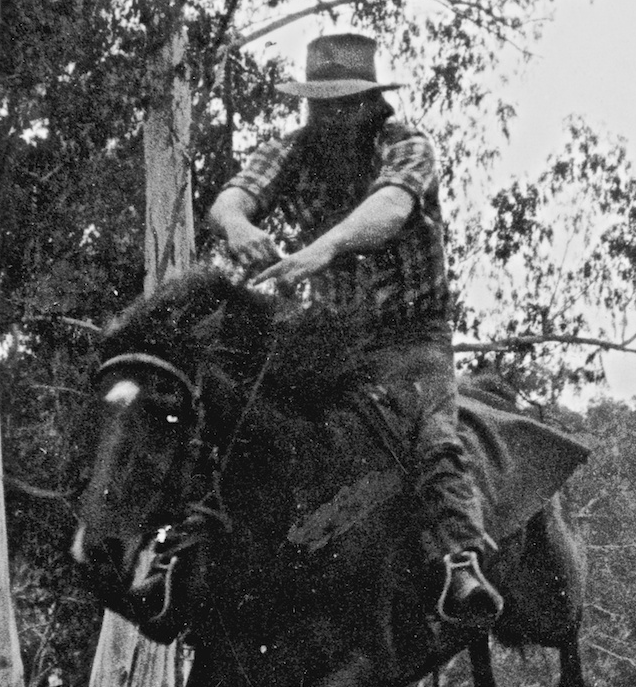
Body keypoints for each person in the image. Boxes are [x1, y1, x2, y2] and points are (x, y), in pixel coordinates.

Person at [208, 32, 504, 626]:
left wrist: (324, 248)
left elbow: (389, 208)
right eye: (320, 105)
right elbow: (231, 198)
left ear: (370, 103)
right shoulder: (291, 149)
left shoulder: (406, 145)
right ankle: (191, 542)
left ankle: (460, 561)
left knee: (432, 435)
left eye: (343, 105)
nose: (330, 118)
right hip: (333, 333)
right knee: (235, 400)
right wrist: (237, 225)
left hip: (411, 334)